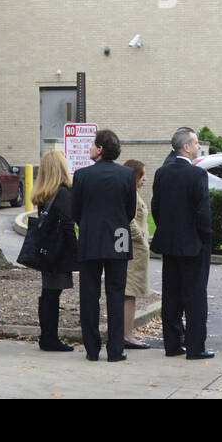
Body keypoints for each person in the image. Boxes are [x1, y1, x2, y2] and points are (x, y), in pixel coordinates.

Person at [72, 129, 136, 362]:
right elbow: (130, 210)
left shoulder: (81, 175)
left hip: (90, 238)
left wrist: (88, 225)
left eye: (92, 145)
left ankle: (91, 348)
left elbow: (75, 211)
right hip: (119, 238)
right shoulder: (127, 175)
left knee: (89, 295)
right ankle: (115, 349)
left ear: (100, 149)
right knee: (116, 294)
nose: (90, 148)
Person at [151, 127, 213, 359]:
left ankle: (172, 345)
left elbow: (156, 208)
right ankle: (196, 347)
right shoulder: (197, 175)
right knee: (195, 297)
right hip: (194, 245)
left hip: (169, 244)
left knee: (171, 296)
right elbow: (202, 213)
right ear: (186, 147)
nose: (199, 146)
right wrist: (206, 239)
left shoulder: (162, 173)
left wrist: (166, 230)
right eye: (196, 143)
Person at [30, 149, 77, 352]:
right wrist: (77, 251)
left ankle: (46, 335)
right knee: (52, 294)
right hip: (59, 253)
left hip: (45, 251)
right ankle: (50, 338)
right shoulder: (63, 194)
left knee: (48, 293)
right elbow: (67, 225)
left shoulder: (43, 194)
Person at [122, 158, 152, 349]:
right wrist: (140, 238)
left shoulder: (135, 193)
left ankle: (127, 333)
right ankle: (127, 335)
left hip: (138, 252)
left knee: (130, 295)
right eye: (142, 175)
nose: (145, 179)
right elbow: (129, 219)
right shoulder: (130, 195)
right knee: (129, 294)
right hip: (133, 253)